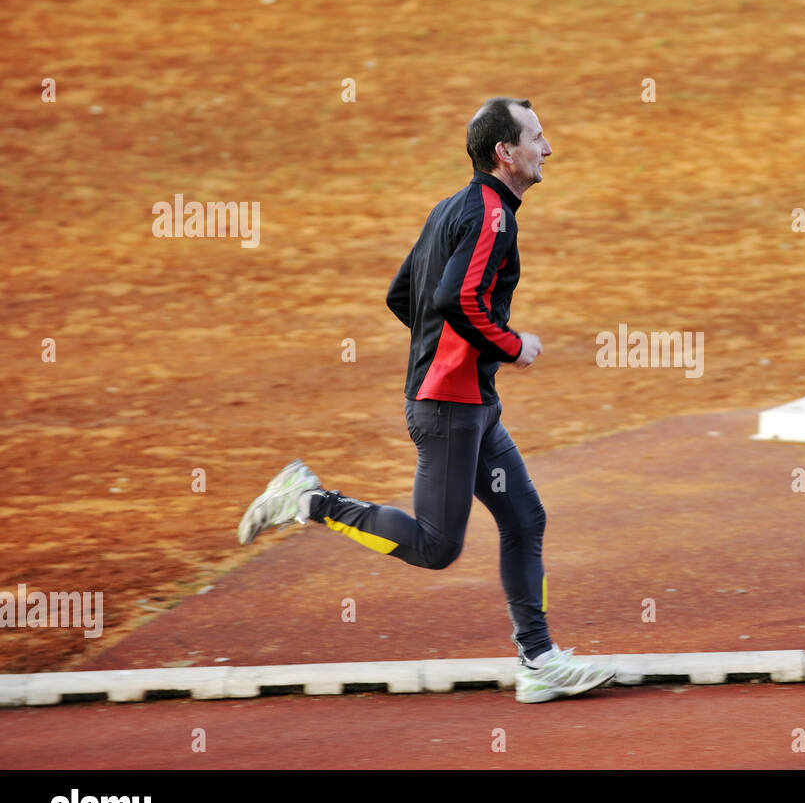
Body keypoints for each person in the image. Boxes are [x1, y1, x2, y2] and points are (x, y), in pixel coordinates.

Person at [236, 97, 616, 704]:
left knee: (525, 518)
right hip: (449, 408)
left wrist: (450, 352)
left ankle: (539, 660)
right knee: (437, 546)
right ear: (505, 152)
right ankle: (307, 501)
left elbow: (401, 295)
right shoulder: (492, 217)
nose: (547, 149)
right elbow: (454, 300)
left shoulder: (450, 209)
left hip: (468, 403)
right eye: (537, 138)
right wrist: (509, 345)